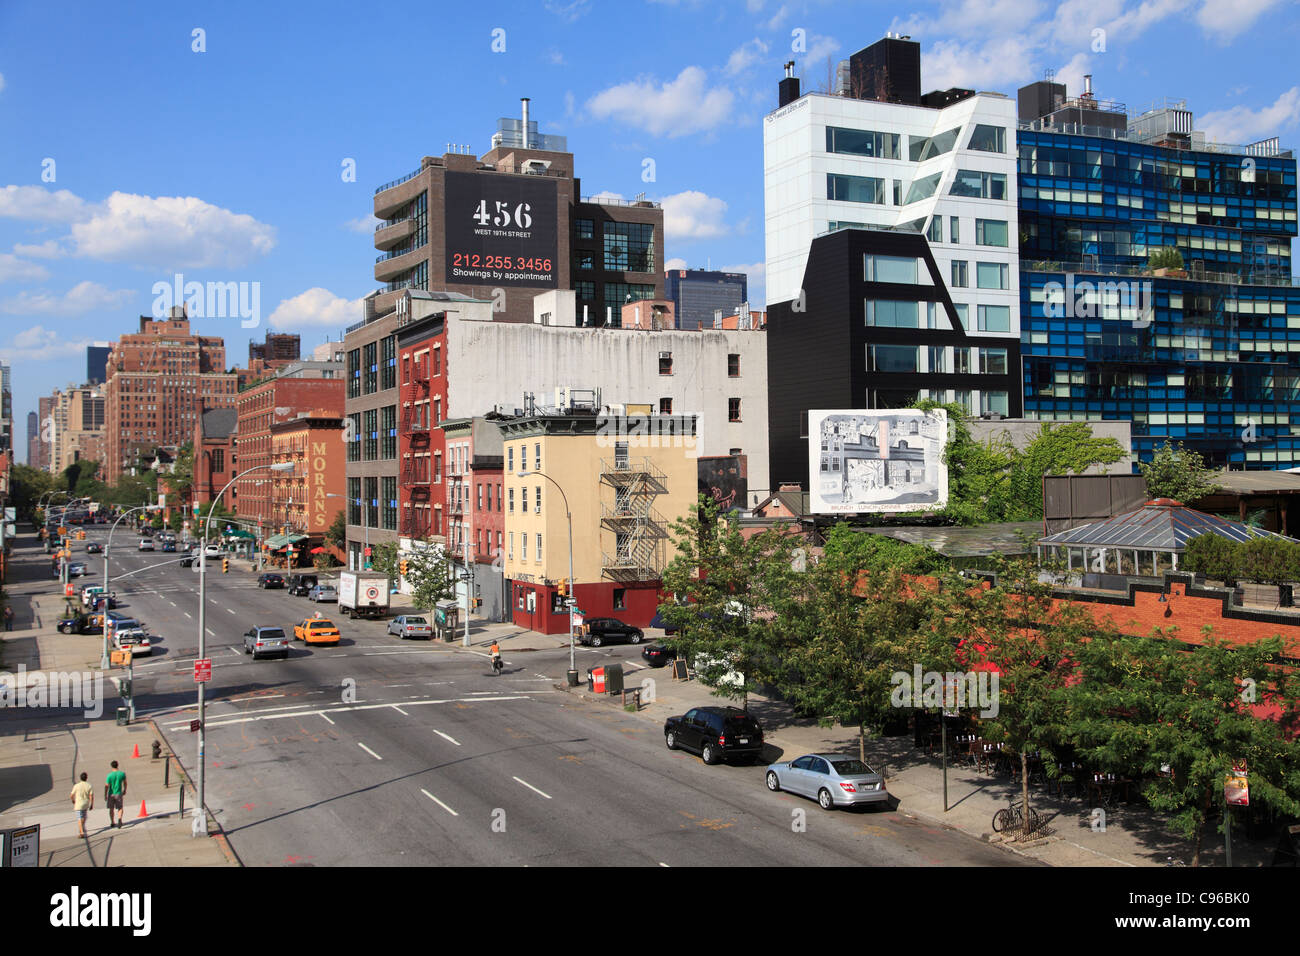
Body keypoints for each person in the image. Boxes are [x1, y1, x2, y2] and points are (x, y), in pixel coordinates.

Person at [104, 760, 127, 828]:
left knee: (111, 808)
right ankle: (119, 818)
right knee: (120, 807)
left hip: (111, 793)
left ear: (111, 766)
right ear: (117, 765)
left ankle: (112, 822)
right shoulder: (122, 774)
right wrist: (125, 790)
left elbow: (107, 785)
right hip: (118, 793)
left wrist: (105, 794)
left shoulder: (109, 775)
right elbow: (125, 782)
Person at [71, 772, 94, 837]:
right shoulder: (89, 785)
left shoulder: (76, 786)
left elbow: (71, 795)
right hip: (86, 803)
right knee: (84, 817)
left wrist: (73, 800)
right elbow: (91, 795)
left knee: (79, 818)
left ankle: (81, 832)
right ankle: (82, 828)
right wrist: (91, 804)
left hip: (78, 804)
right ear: (86, 778)